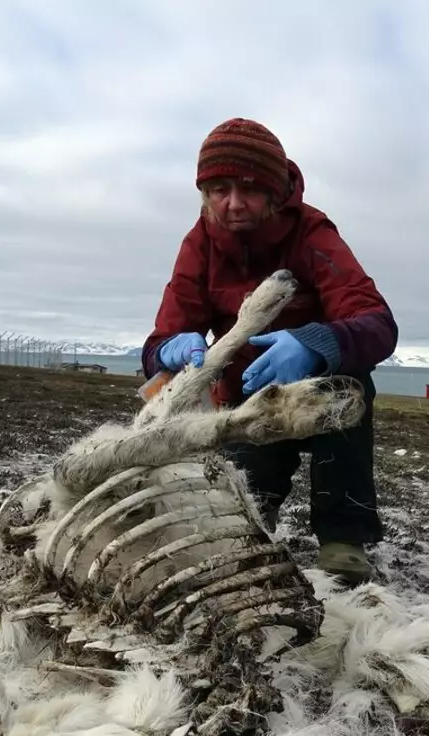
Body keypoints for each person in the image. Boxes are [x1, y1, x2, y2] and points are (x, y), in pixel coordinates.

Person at [141, 117, 399, 586]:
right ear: (203, 192)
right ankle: (252, 528)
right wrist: (166, 351)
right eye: (219, 188)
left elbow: (377, 323)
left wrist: (315, 344)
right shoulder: (199, 245)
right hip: (244, 395)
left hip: (319, 385)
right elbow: (162, 338)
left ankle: (343, 541)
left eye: (249, 189)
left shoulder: (312, 234)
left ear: (276, 191)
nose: (233, 204)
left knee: (351, 388)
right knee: (244, 511)